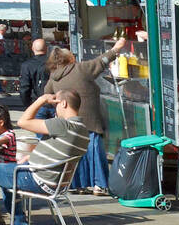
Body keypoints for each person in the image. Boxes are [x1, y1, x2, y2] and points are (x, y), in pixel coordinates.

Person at [0, 90, 90, 225]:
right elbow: (61, 155)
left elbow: (23, 122)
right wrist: (31, 156)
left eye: (55, 104)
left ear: (64, 103)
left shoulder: (62, 125)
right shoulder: (82, 131)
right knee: (5, 172)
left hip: (37, 179)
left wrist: (41, 100)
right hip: (55, 182)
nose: (54, 108)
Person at [43, 38, 128, 195]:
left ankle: (77, 185)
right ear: (70, 59)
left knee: (74, 152)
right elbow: (101, 61)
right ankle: (99, 185)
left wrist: (59, 105)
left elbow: (46, 94)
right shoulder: (80, 69)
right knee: (93, 149)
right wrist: (116, 48)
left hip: (67, 121)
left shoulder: (54, 76)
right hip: (89, 119)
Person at [19, 38, 48, 107]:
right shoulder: (54, 63)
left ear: (32, 48)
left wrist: (28, 105)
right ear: (46, 48)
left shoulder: (27, 65)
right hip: (53, 102)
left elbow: (24, 88)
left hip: (36, 102)